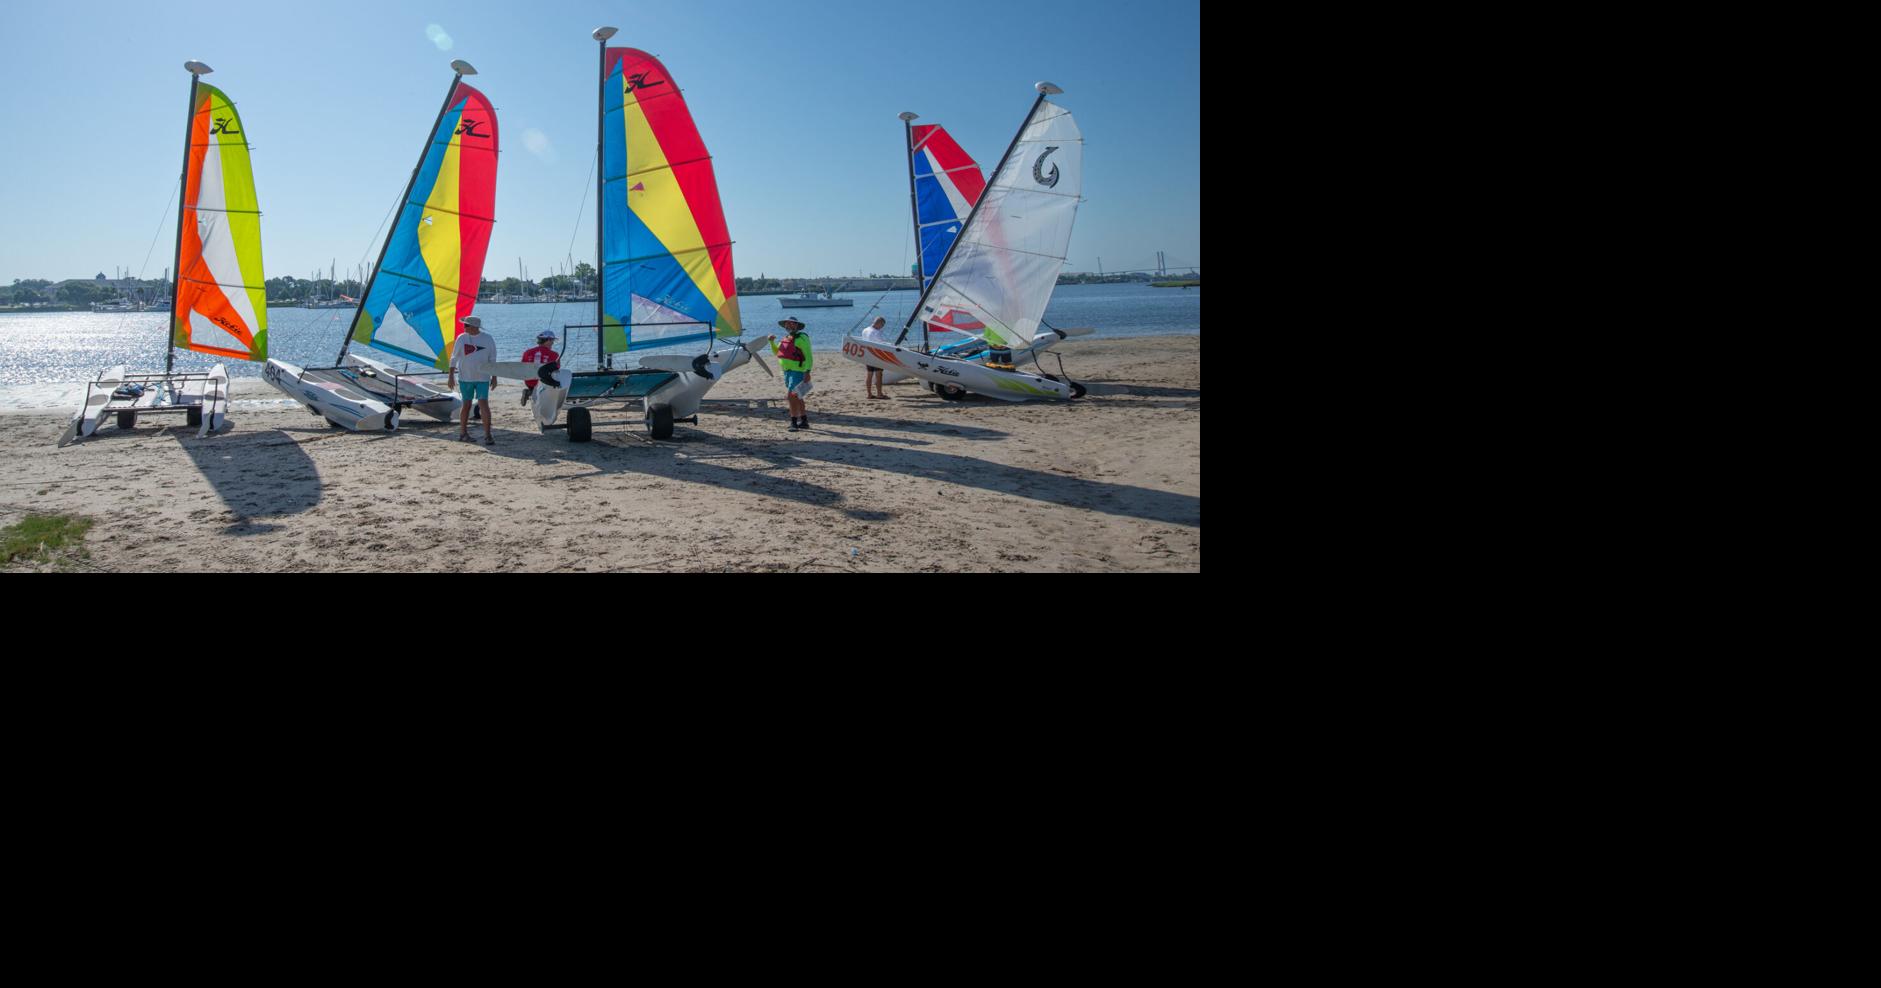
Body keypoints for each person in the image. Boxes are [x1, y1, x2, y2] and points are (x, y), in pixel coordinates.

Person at [447, 315, 497, 445]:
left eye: (466, 325)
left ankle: (488, 435)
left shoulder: (488, 338)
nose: (463, 327)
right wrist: (451, 376)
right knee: (466, 405)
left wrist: (494, 377)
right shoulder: (462, 338)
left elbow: (492, 359)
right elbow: (454, 357)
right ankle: (463, 433)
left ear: (474, 327)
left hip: (483, 378)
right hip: (465, 378)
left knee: (483, 404)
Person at [769, 317, 815, 432]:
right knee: (798, 396)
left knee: (791, 396)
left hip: (798, 372)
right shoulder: (785, 338)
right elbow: (777, 352)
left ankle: (793, 423)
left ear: (797, 325)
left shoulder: (802, 338)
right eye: (787, 324)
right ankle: (804, 421)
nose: (789, 325)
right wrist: (771, 342)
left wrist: (807, 372)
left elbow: (808, 356)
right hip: (787, 372)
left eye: (792, 323)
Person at [519, 331, 559, 407]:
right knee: (554, 378)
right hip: (545, 383)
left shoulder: (527, 352)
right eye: (552, 340)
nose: (553, 343)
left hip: (530, 382)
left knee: (537, 378)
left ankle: (530, 391)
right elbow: (557, 370)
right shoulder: (554, 355)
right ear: (548, 340)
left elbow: (522, 367)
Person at [859, 317, 891, 400]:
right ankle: (879, 394)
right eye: (882, 325)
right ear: (879, 323)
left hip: (867, 356)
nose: (882, 327)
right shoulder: (876, 332)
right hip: (876, 356)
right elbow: (882, 344)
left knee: (869, 375)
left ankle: (869, 394)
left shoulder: (865, 330)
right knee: (879, 375)